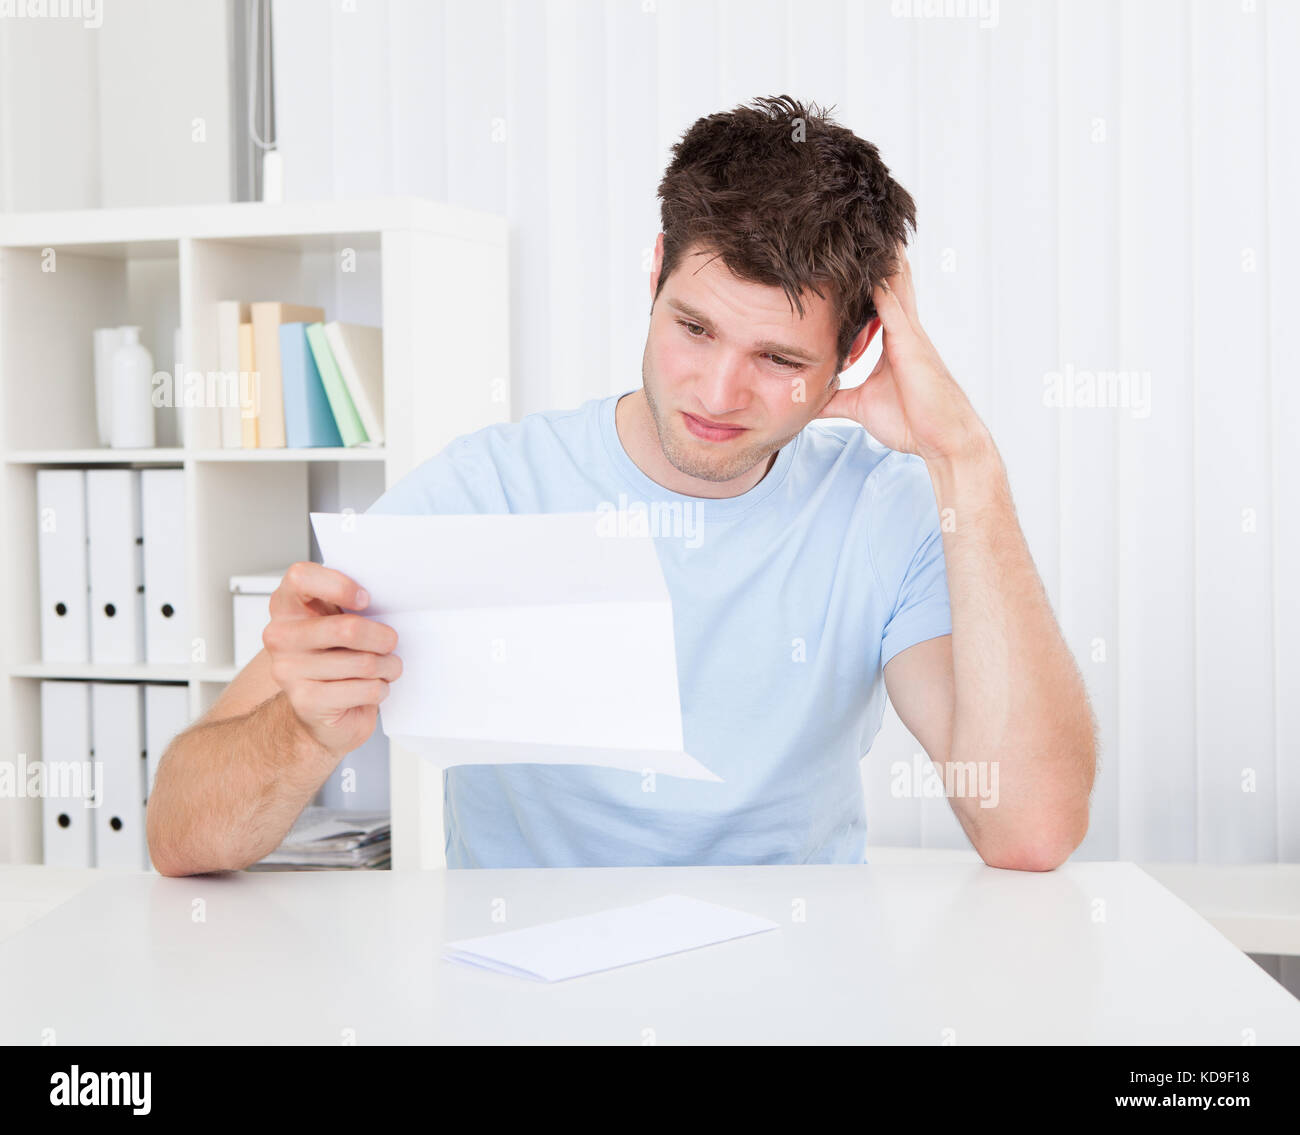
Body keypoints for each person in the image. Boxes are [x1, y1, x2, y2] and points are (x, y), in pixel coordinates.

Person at [147, 95, 1095, 876]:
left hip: (790, 987)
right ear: (654, 275)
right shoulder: (490, 489)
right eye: (693, 328)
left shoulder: (882, 509)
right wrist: (303, 731)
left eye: (776, 356)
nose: (717, 394)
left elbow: (1029, 827)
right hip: (525, 997)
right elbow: (180, 835)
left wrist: (964, 455)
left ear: (854, 354)